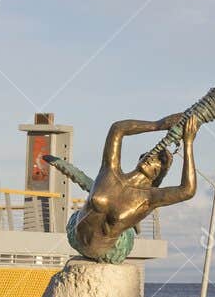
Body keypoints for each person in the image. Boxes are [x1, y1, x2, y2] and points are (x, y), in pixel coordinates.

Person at [47, 113, 202, 263]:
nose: (152, 157)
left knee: (124, 235)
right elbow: (117, 129)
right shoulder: (110, 171)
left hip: (103, 251)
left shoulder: (148, 198)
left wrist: (188, 143)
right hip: (75, 236)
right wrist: (158, 125)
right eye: (151, 153)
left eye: (159, 159)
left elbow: (187, 190)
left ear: (159, 171)